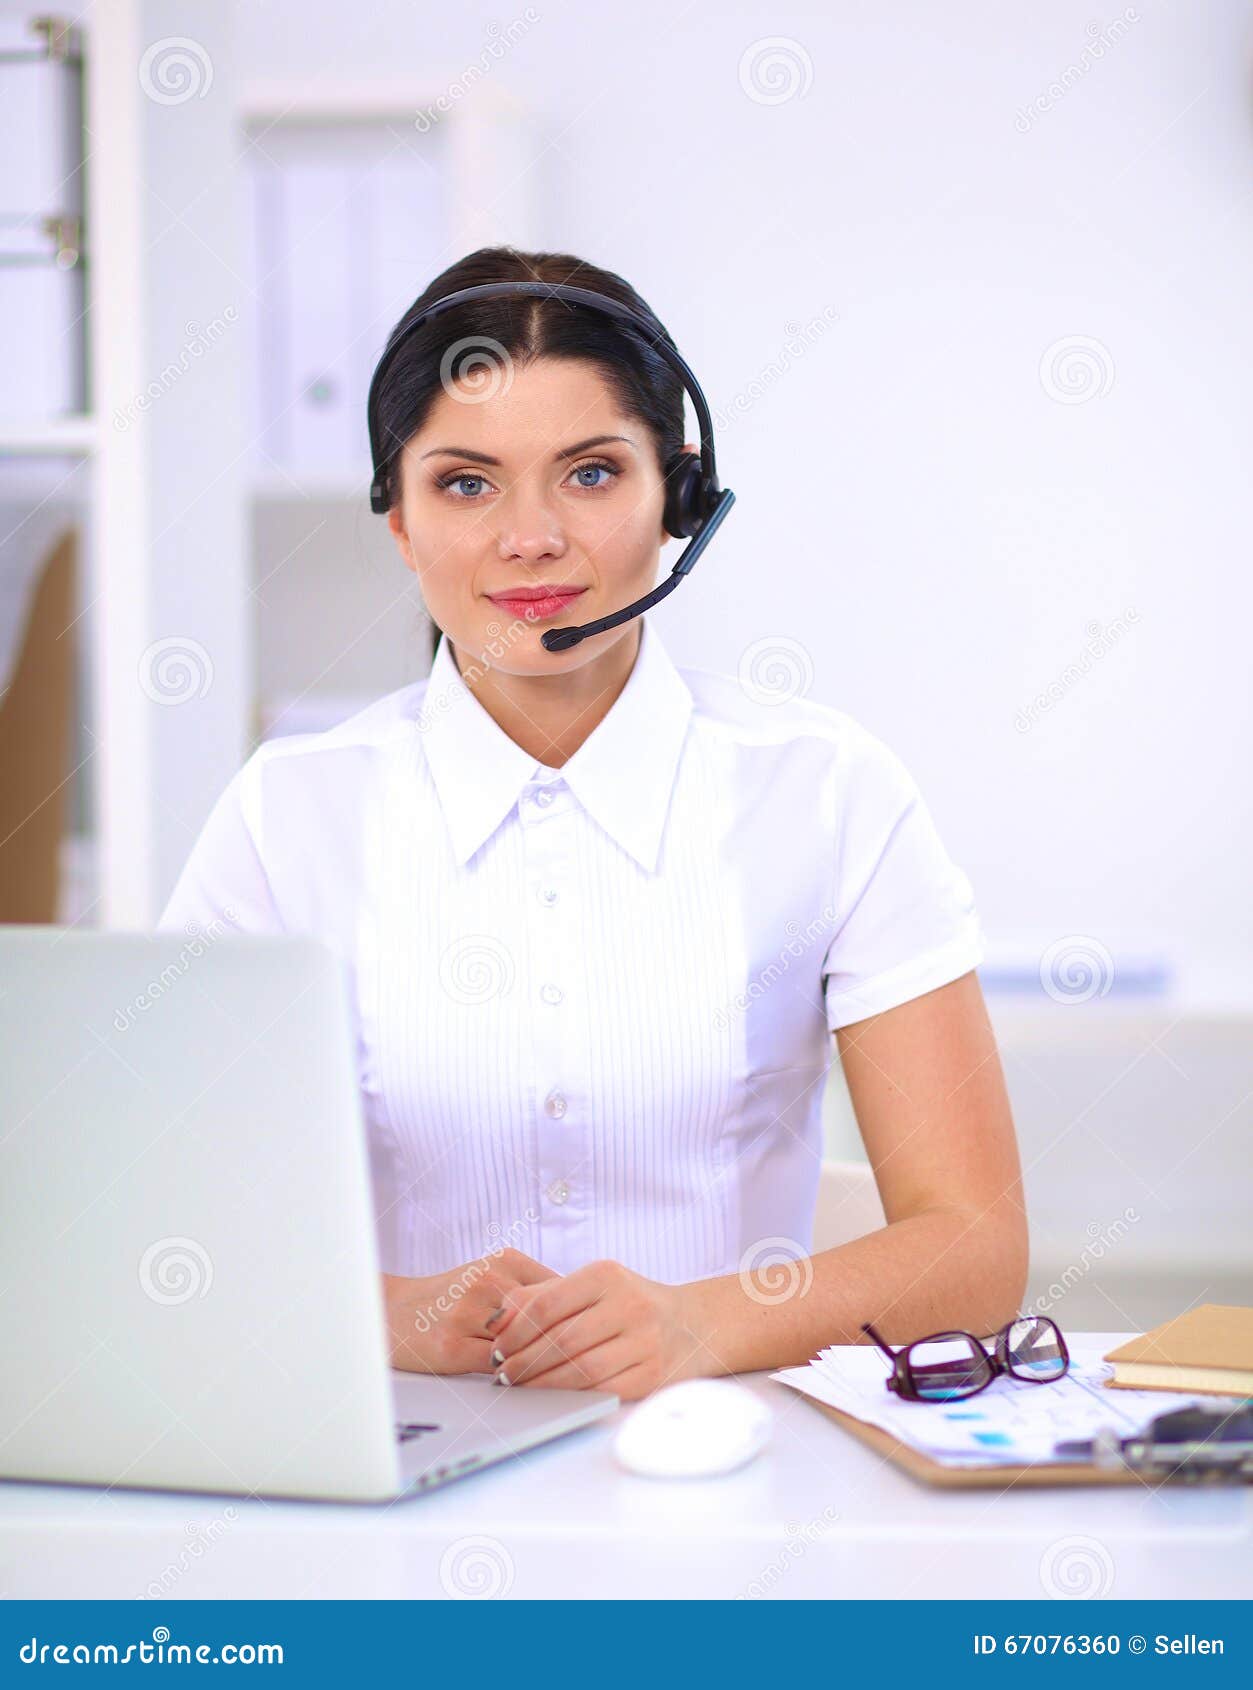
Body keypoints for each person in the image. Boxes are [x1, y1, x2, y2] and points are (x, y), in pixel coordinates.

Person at [157, 246, 1027, 1403]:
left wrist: (697, 1324)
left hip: (735, 1455)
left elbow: (972, 1244)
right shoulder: (287, 815)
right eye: (465, 483)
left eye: (589, 474)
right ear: (400, 525)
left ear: (676, 499)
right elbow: (166, 1241)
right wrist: (392, 1316)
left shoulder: (826, 792)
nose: (529, 538)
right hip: (393, 1466)